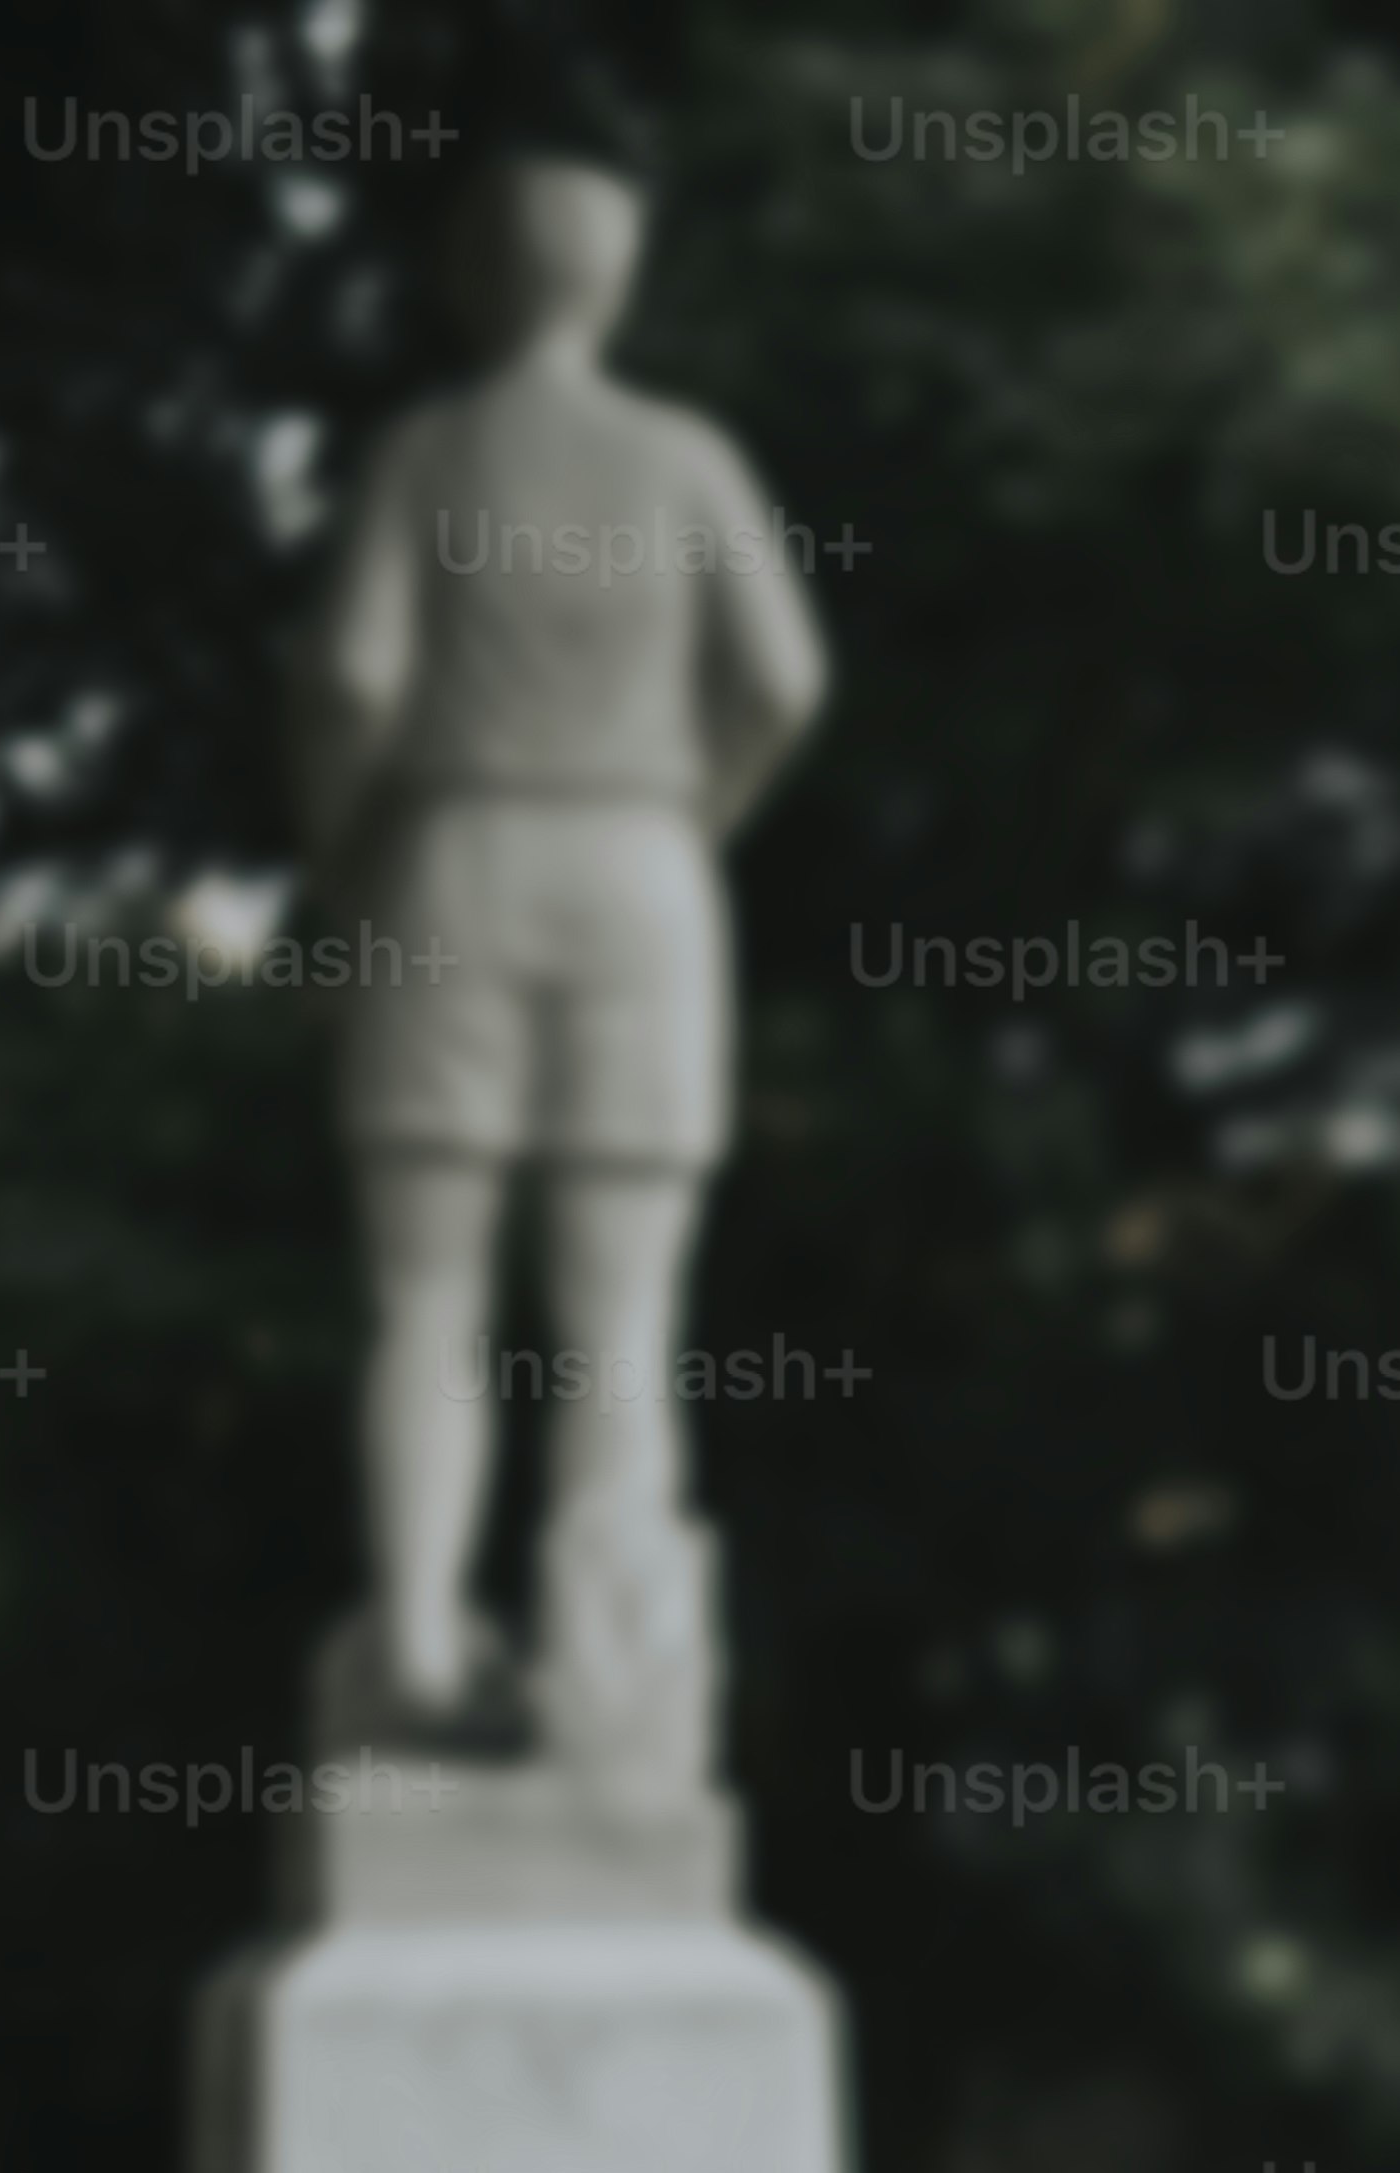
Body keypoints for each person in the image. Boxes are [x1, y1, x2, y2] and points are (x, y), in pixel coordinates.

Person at [288, 150, 821, 1741]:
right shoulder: (688, 461)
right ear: (619, 281)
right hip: (642, 866)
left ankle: (419, 1645)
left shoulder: (429, 456)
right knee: (624, 1312)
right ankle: (611, 1673)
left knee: (428, 1294)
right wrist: (696, 819)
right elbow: (784, 682)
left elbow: (352, 681)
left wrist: (342, 861)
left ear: (474, 280)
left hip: (454, 859)